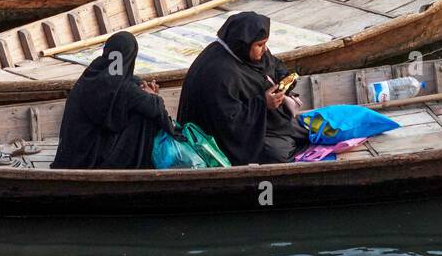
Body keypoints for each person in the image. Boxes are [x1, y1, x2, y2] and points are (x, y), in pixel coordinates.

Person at [177, 13, 308, 165]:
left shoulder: (247, 52)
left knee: (303, 131)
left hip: (260, 122)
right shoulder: (219, 73)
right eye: (260, 45)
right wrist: (263, 103)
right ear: (243, 44)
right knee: (278, 154)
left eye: (265, 44)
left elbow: (273, 64)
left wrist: (285, 79)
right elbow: (228, 122)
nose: (265, 49)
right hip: (224, 140)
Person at [51, 32, 174, 170]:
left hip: (73, 155)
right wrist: (154, 96)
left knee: (142, 106)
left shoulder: (92, 73)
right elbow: (155, 108)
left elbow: (132, 84)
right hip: (90, 158)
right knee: (146, 116)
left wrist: (145, 92)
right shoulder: (124, 88)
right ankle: (136, 167)